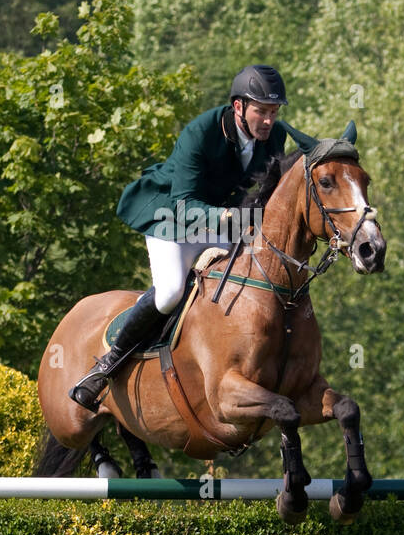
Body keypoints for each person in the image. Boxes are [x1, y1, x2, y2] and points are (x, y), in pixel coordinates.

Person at [69, 64, 290, 411]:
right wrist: (233, 218)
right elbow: (184, 207)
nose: (268, 120)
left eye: (273, 112)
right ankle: (106, 366)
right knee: (172, 291)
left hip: (218, 216)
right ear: (238, 107)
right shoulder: (200, 132)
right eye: (261, 111)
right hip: (171, 215)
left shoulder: (274, 135)